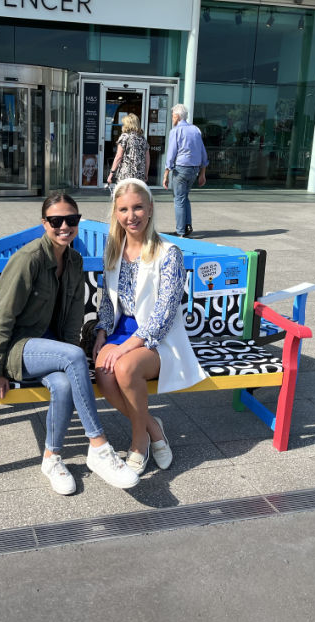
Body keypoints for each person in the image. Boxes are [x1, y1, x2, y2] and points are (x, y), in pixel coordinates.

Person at [0, 192, 139, 495]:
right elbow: (1, 317)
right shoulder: (29, 260)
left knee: (64, 383)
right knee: (75, 356)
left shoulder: (75, 261)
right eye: (56, 220)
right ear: (44, 223)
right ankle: (99, 447)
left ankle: (51, 458)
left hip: (49, 348)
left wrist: (66, 358)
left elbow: (73, 319)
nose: (64, 226)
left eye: (71, 219)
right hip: (15, 348)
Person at [93, 178, 207, 474]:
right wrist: (102, 334)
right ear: (116, 214)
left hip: (158, 338)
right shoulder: (113, 251)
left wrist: (129, 346)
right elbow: (107, 302)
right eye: (124, 209)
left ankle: (138, 443)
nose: (132, 216)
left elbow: (165, 314)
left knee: (125, 368)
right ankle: (154, 427)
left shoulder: (168, 253)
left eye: (138, 208)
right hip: (121, 330)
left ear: (151, 208)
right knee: (104, 373)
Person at [162, 104, 208, 237]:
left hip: (181, 169)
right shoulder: (196, 130)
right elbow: (203, 152)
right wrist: (202, 173)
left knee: (179, 199)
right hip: (194, 170)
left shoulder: (175, 131)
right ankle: (187, 226)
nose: (172, 118)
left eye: (172, 116)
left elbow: (171, 153)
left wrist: (166, 173)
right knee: (185, 197)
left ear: (176, 116)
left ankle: (180, 231)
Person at [106, 113, 149, 187]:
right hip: (139, 176)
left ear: (127, 125)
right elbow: (147, 158)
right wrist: (146, 173)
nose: (122, 126)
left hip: (126, 175)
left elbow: (118, 156)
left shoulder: (124, 137)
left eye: (123, 124)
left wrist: (111, 173)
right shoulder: (142, 139)